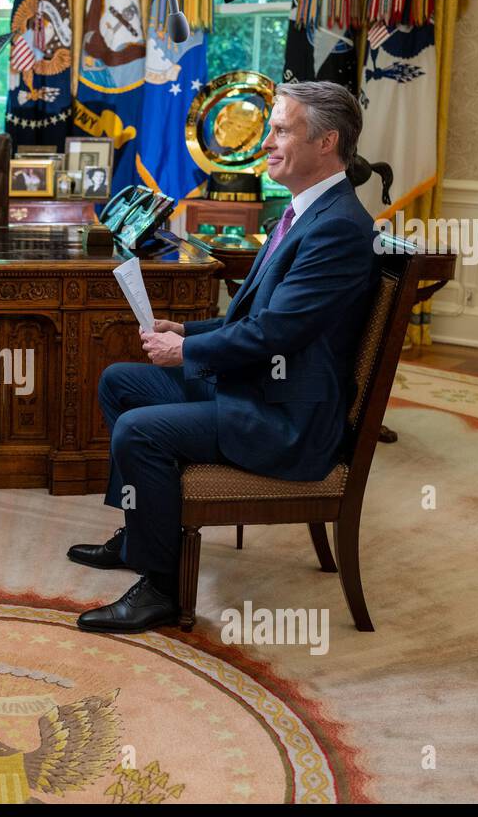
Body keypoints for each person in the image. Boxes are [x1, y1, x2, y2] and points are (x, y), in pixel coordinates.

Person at [68, 81, 381, 633]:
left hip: (287, 419)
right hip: (259, 387)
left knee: (140, 432)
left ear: (327, 141)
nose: (266, 141)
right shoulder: (306, 211)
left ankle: (161, 586)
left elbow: (275, 333)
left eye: (281, 130)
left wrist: (186, 350)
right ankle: (139, 531)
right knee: (122, 382)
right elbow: (257, 319)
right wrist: (186, 329)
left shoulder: (337, 228)